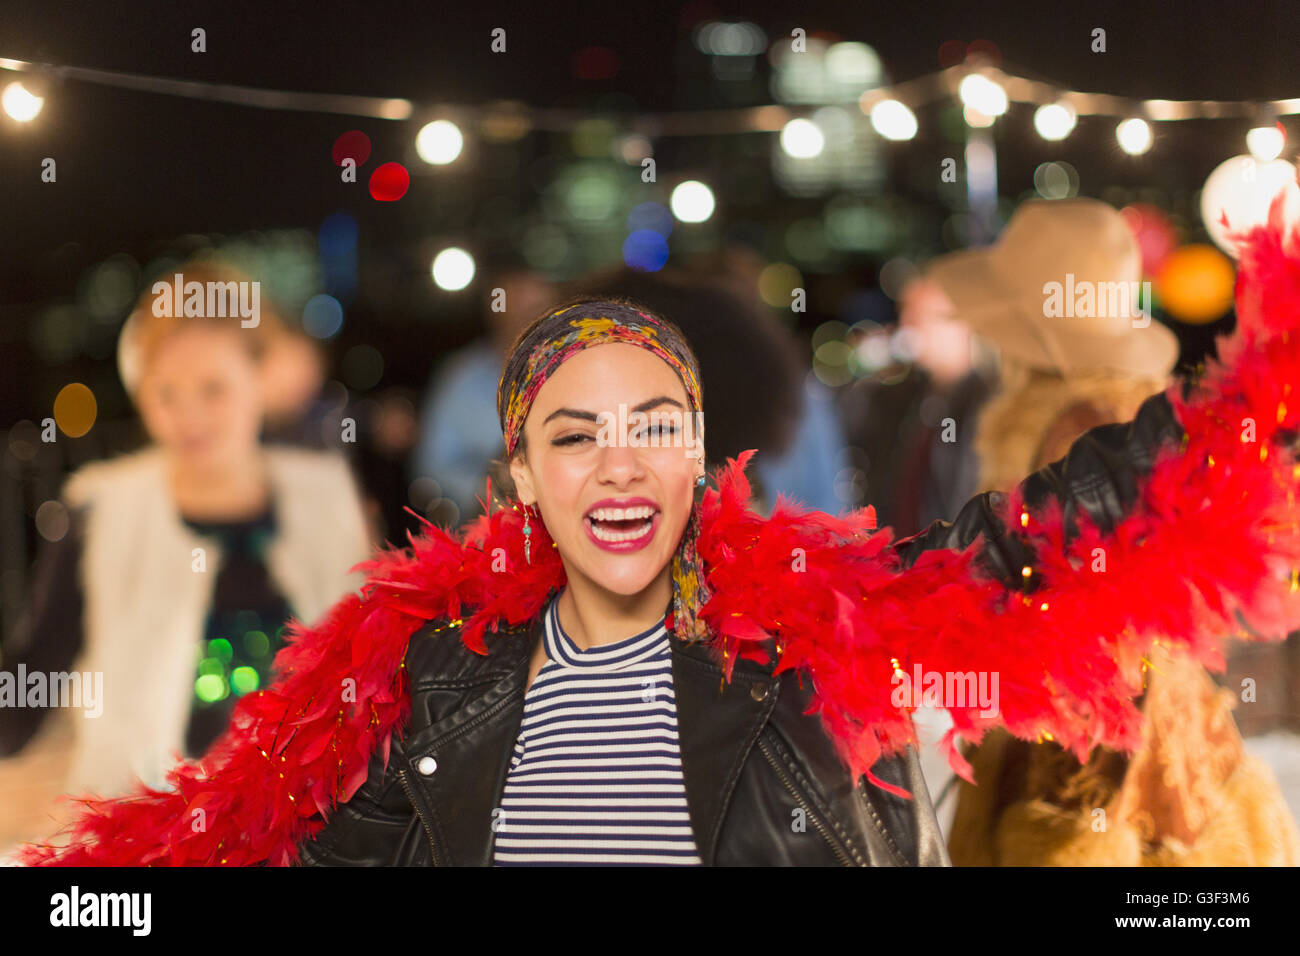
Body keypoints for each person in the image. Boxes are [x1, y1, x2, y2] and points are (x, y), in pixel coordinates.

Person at [16, 203, 1300, 865]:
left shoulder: (812, 638)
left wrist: (1264, 407)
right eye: (573, 434)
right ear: (518, 471)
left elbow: (1023, 549)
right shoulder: (427, 672)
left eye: (653, 427)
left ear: (702, 456)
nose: (617, 461)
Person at [0, 258, 373, 827]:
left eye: (212, 388)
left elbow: (374, 667)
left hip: (312, 827)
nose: (188, 416)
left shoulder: (325, 499)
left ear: (259, 379)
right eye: (165, 392)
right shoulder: (102, 511)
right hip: (146, 837)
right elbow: (32, 677)